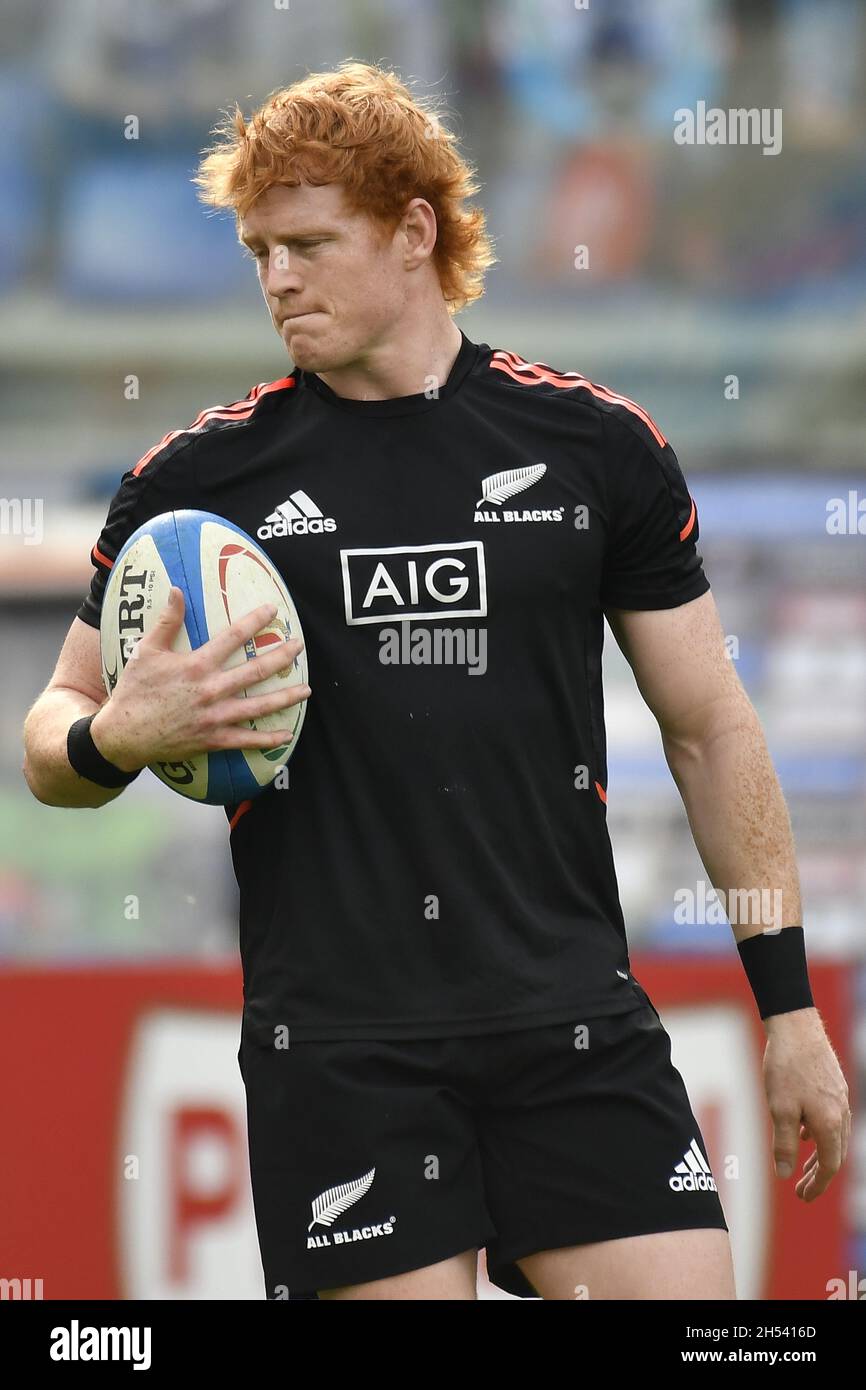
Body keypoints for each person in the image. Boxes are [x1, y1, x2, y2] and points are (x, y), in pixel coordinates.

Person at [22, 60, 849, 1301]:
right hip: (343, 1054)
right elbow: (52, 736)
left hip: (571, 1025)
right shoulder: (197, 482)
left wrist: (784, 1008)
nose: (276, 280)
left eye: (306, 243)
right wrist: (116, 739)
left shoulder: (592, 446)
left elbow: (709, 730)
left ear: (414, 232)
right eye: (257, 251)